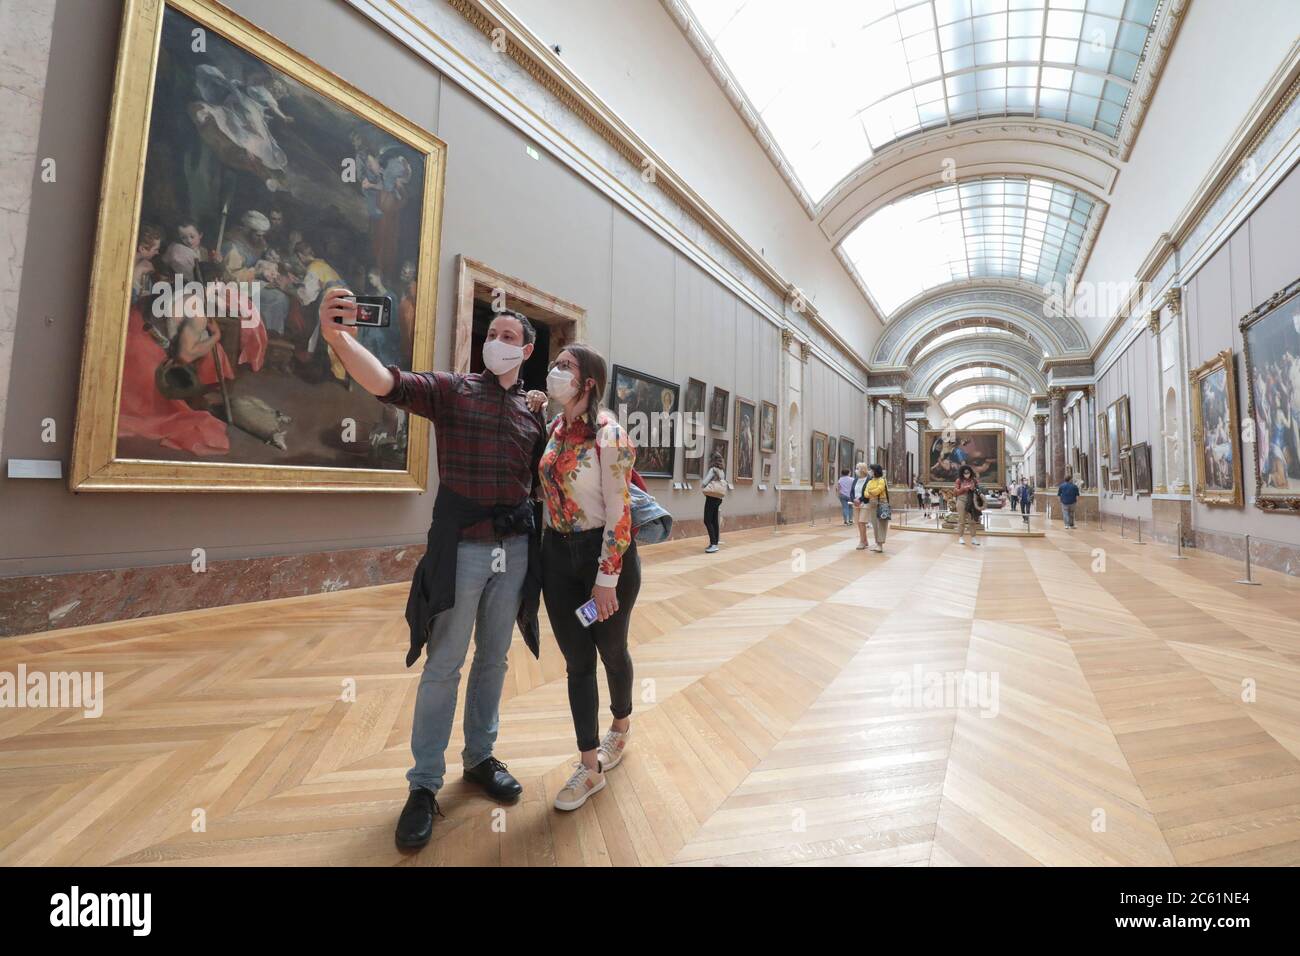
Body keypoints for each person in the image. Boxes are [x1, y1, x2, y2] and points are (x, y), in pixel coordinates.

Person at [318, 289, 545, 850]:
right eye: (490, 336)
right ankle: (423, 785)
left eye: (508, 337)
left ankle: (480, 757)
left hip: (512, 551)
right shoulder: (453, 390)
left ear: (528, 349)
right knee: (444, 663)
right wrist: (338, 338)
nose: (496, 343)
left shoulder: (531, 413)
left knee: (493, 659)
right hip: (463, 549)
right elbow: (385, 384)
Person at [536, 343, 641, 812]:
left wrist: (606, 579)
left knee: (611, 651)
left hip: (605, 557)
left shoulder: (610, 434)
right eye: (555, 364)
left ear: (589, 382)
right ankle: (588, 766)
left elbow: (621, 513)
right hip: (556, 555)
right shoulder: (555, 429)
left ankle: (619, 726)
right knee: (577, 662)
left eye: (566, 367)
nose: (555, 372)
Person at [701, 452, 727, 553]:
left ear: (713, 460)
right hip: (719, 498)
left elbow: (704, 482)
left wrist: (703, 486)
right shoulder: (722, 471)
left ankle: (713, 543)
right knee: (714, 520)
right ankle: (715, 542)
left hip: (711, 497)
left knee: (707, 520)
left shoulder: (713, 470)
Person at [954, 464, 982, 546]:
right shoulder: (959, 480)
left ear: (971, 472)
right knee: (961, 520)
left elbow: (978, 490)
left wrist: (974, 489)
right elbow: (955, 492)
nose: (967, 474)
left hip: (971, 501)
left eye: (968, 472)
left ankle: (973, 538)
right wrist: (964, 488)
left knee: (972, 521)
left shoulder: (974, 480)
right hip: (961, 501)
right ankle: (961, 537)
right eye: (965, 473)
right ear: (962, 473)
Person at [864, 464, 890, 553]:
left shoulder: (882, 480)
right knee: (875, 525)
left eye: (871, 470)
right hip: (872, 504)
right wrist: (871, 493)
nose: (869, 472)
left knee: (881, 524)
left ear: (875, 471)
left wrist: (871, 492)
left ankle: (880, 544)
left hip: (882, 503)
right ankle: (877, 543)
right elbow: (865, 493)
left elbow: (878, 490)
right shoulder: (870, 481)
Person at [850, 462, 871, 550]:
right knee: (858, 523)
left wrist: (860, 499)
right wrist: (853, 499)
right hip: (855, 503)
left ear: (862, 470)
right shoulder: (855, 479)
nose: (856, 470)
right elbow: (852, 491)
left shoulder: (869, 480)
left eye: (857, 468)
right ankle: (865, 540)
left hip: (865, 503)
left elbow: (869, 492)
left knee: (862, 522)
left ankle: (861, 542)